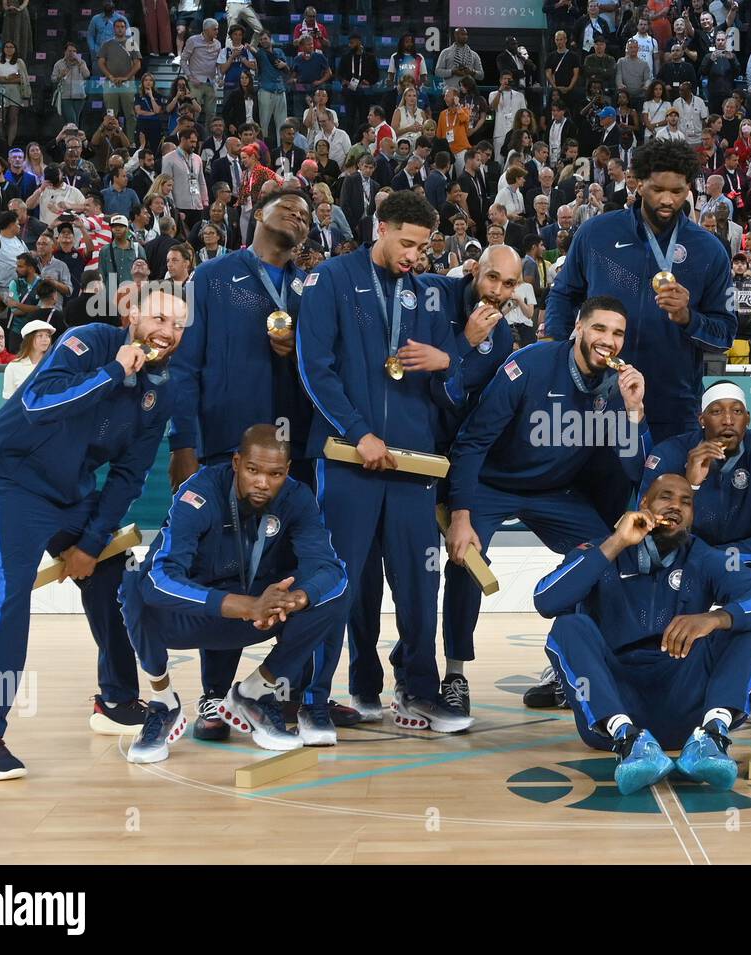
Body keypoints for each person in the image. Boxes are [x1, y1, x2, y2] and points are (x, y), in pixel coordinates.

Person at [0, 293, 186, 780]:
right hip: (11, 479)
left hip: (70, 491)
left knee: (111, 575)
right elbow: (40, 405)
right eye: (159, 317)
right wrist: (111, 375)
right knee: (10, 594)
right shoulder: (88, 342)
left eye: (179, 325)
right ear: (132, 317)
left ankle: (118, 701)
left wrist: (90, 542)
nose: (167, 331)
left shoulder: (162, 389)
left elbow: (129, 474)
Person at [295, 190, 471, 733]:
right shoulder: (331, 280)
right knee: (342, 582)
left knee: (420, 585)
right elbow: (314, 367)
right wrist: (358, 432)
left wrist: (447, 364)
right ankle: (317, 697)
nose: (415, 256)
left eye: (423, 247)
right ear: (381, 227)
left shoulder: (429, 298)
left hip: (413, 467)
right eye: (407, 243)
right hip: (350, 459)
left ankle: (418, 691)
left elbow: (454, 393)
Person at [445, 295, 652, 713]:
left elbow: (634, 470)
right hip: (492, 483)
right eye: (599, 329)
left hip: (556, 490)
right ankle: (454, 675)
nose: (608, 341)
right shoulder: (531, 365)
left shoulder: (619, 386)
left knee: (606, 555)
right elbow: (472, 441)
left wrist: (633, 413)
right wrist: (461, 514)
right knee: (466, 559)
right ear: (578, 327)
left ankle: (564, 667)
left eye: (617, 334)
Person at [168, 185, 318, 734]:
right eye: (288, 209)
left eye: (306, 216)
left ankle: (285, 690)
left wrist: (297, 343)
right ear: (259, 214)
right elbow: (186, 367)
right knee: (221, 567)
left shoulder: (312, 286)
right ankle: (212, 696)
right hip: (226, 446)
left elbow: (328, 368)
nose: (298, 219)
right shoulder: (211, 276)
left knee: (293, 568)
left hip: (296, 449)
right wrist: (183, 443)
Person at [534, 472, 751, 794]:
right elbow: (546, 600)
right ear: (644, 505)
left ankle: (711, 738)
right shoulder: (599, 549)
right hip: (616, 702)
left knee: (744, 624)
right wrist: (616, 542)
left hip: (684, 706)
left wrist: (717, 618)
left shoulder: (704, 556)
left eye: (686, 502)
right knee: (568, 627)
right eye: (666, 497)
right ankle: (628, 743)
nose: (676, 507)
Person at [123, 425, 349, 761]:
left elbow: (327, 568)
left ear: (286, 472)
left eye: (274, 474)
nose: (262, 482)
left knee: (334, 589)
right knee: (134, 587)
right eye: (253, 470)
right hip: (203, 616)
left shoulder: (297, 497)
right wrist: (245, 606)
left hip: (264, 616)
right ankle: (163, 701)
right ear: (236, 462)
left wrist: (297, 598)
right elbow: (159, 578)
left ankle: (255, 692)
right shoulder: (197, 493)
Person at [546, 138, 734, 444]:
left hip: (671, 404)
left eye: (677, 191)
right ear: (638, 183)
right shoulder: (597, 234)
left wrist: (688, 318)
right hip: (594, 395)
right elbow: (563, 295)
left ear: (689, 188)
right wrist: (558, 354)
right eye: (657, 189)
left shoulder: (709, 251)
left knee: (663, 490)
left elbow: (724, 335)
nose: (667, 200)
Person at [637, 380, 751, 721]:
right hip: (681, 556)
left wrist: (720, 556)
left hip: (738, 559)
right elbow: (646, 524)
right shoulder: (670, 453)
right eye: (717, 411)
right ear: (701, 420)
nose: (727, 420)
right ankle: (660, 673)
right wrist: (691, 483)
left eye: (736, 412)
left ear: (748, 420)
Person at [97, 17, 141, 141]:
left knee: (131, 114)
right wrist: (110, 76)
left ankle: (131, 142)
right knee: (110, 115)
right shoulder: (107, 44)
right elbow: (101, 62)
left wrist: (126, 77)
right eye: (118, 27)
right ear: (114, 28)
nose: (120, 29)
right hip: (110, 84)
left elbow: (138, 64)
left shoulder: (131, 43)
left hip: (128, 84)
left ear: (125, 28)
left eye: (122, 27)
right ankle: (111, 142)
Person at [2, 319, 53, 399]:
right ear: (29, 339)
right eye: (40, 336)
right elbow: (8, 399)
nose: (45, 339)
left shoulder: (54, 363)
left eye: (48, 336)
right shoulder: (13, 367)